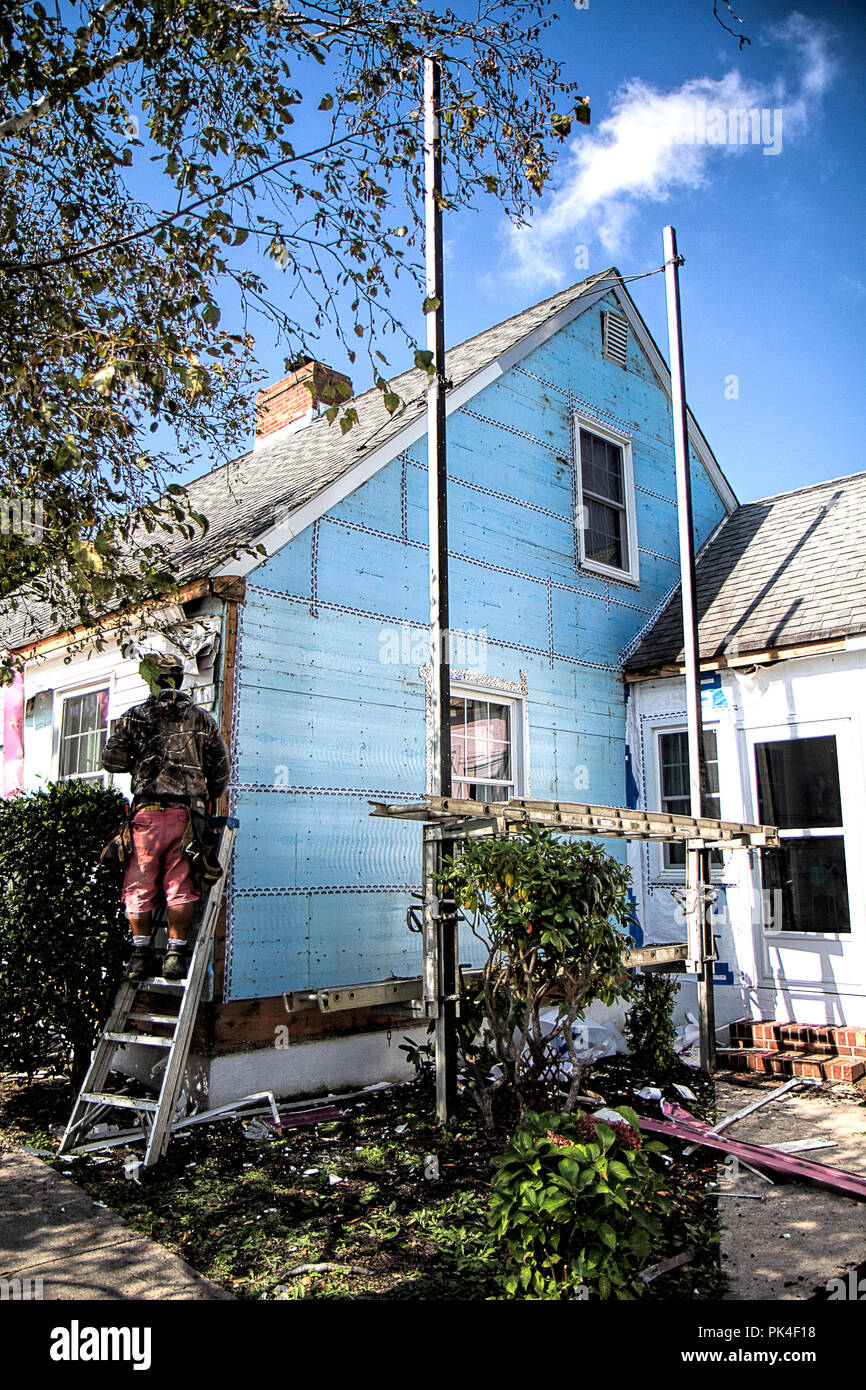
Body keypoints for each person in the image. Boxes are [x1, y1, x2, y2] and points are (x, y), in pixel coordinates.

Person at [101, 652, 231, 981]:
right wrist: (205, 793)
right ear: (180, 679)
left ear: (152, 679)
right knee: (180, 885)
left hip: (145, 816)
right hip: (186, 817)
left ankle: (141, 955)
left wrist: (140, 758)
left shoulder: (134, 717)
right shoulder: (203, 720)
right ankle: (175, 955)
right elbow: (220, 772)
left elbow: (112, 761)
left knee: (139, 884)